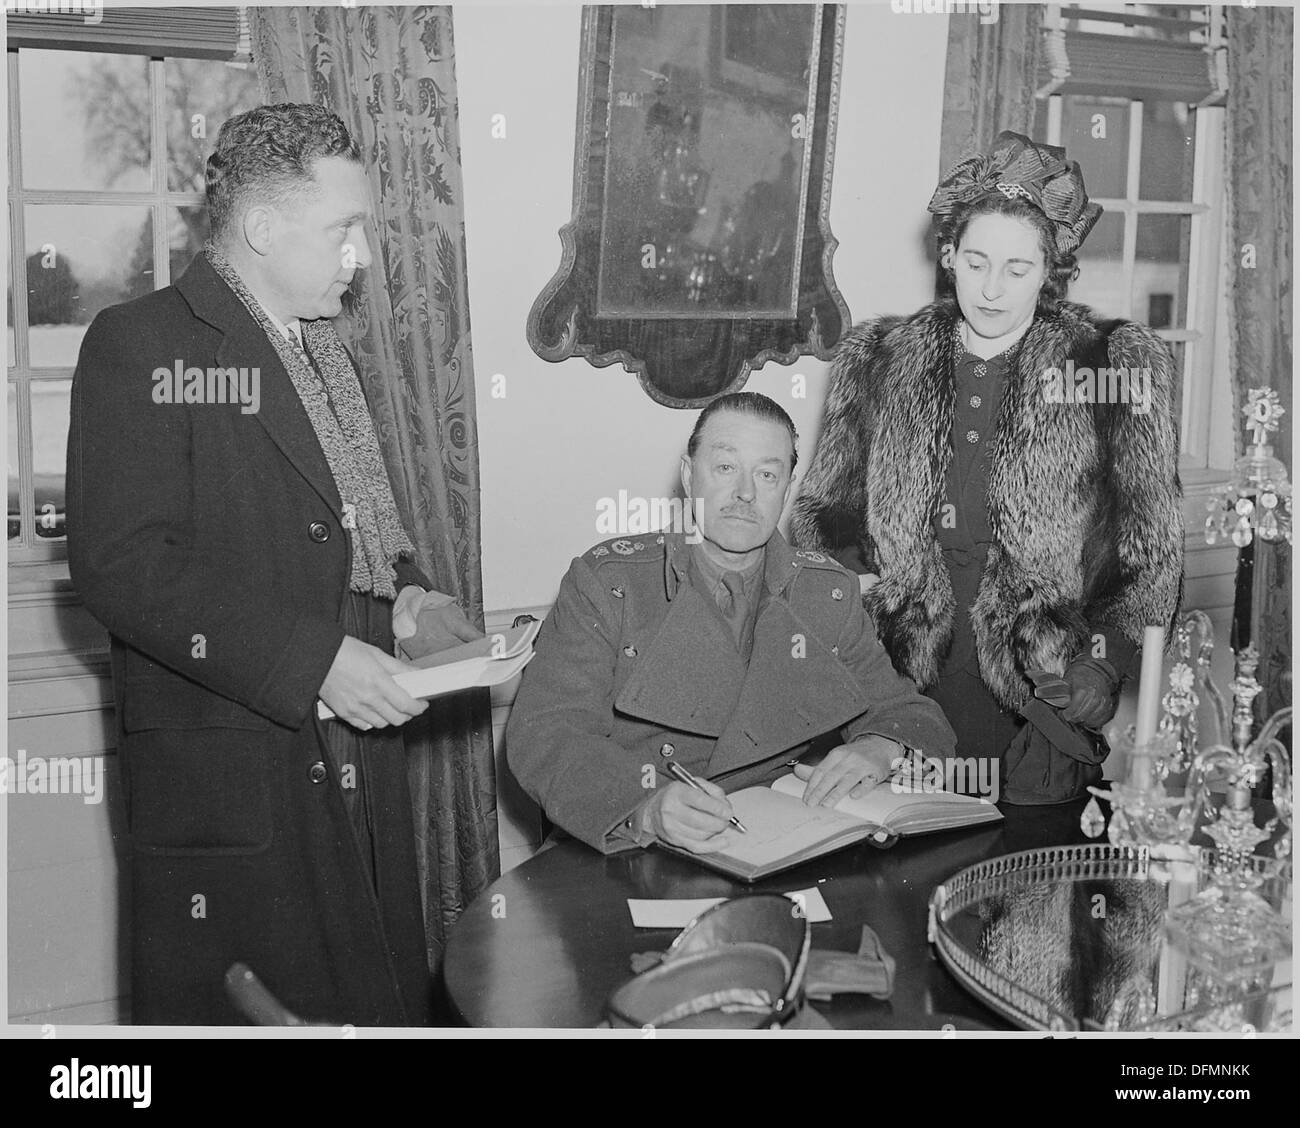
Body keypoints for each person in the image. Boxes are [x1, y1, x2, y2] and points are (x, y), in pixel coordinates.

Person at [66, 103, 479, 1025]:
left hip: (353, 764)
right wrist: (320, 660)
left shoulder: (324, 351)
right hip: (238, 780)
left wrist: (404, 593)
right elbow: (122, 564)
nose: (362, 256)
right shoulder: (140, 344)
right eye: (345, 229)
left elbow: (356, 527)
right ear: (260, 228)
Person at [791, 131, 1183, 805]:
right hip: (893, 700)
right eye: (975, 263)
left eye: (1018, 269)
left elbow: (1146, 556)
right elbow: (823, 525)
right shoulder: (879, 357)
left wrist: (1100, 669)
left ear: (1052, 271)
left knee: (1016, 890)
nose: (992, 289)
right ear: (949, 257)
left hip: (1039, 706)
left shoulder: (1110, 366)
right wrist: (857, 616)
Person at [506, 392, 955, 855]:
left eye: (767, 474)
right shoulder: (611, 582)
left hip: (776, 839)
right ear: (688, 475)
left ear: (787, 488)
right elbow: (547, 732)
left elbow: (908, 712)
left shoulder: (825, 591)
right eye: (725, 468)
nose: (745, 493)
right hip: (636, 844)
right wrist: (646, 805)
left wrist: (882, 746)